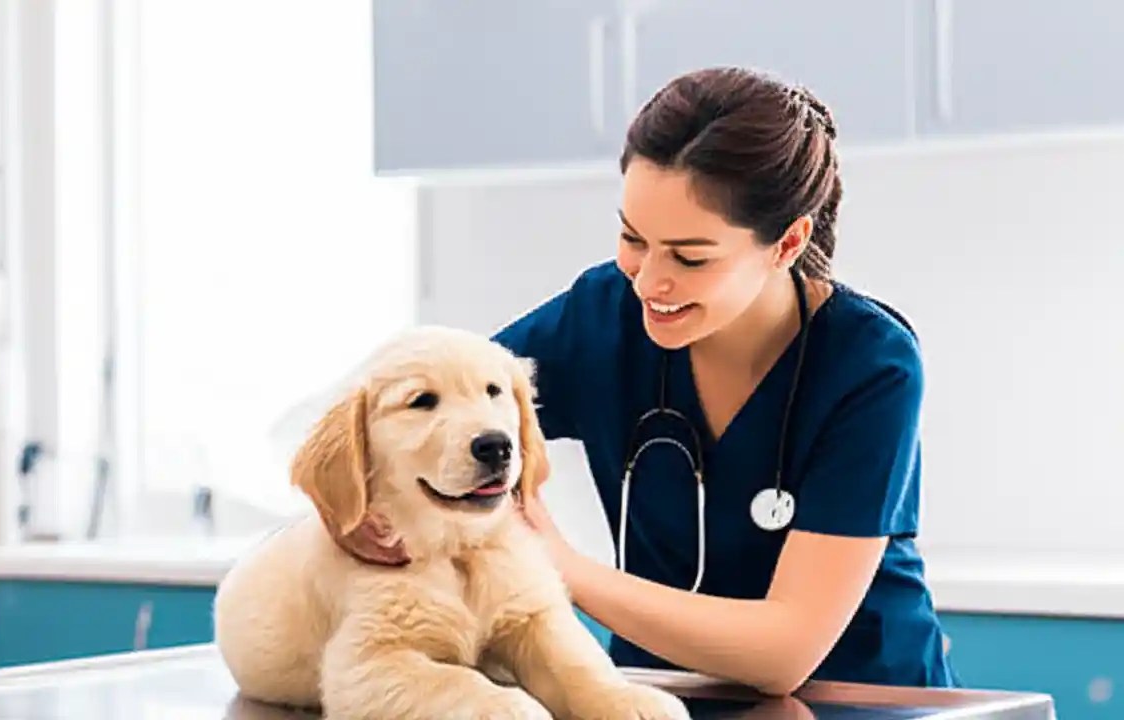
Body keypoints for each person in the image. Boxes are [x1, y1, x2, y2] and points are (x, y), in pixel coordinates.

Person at [327, 66, 958, 695]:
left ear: (787, 243)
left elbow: (784, 650)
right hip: (661, 689)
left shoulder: (868, 363)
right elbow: (419, 411)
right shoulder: (601, 316)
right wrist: (348, 504)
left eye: (690, 257)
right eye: (633, 238)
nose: (649, 282)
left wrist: (558, 565)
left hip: (862, 698)